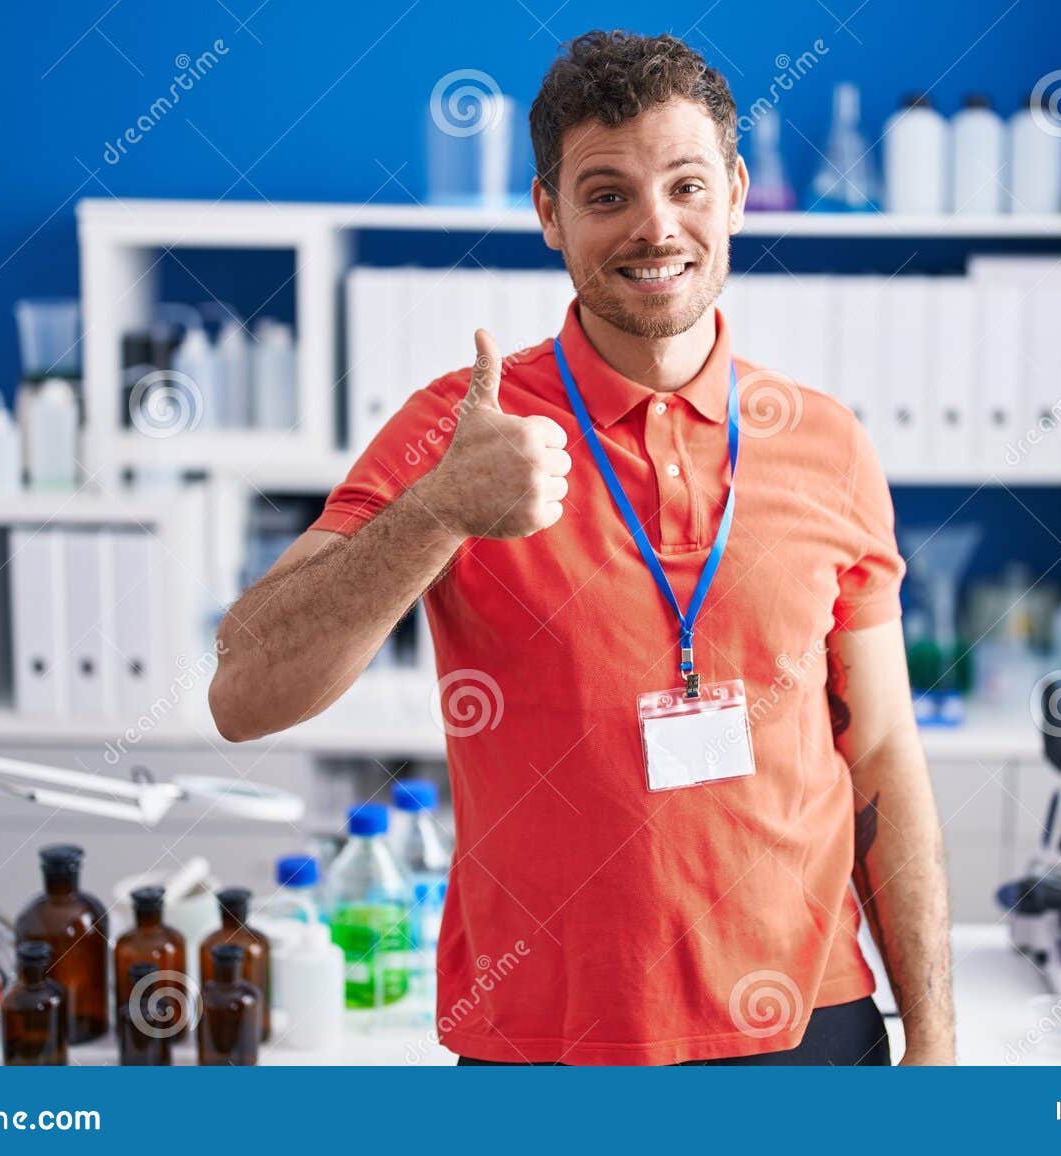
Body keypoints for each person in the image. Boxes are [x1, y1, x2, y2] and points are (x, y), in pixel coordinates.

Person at [210, 29, 955, 1066]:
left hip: (807, 1021)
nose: (656, 227)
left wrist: (935, 1032)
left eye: (687, 185)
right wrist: (438, 511)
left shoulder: (824, 439)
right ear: (549, 214)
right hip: (545, 1043)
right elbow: (243, 693)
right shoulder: (460, 433)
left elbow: (879, 752)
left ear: (736, 192)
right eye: (606, 194)